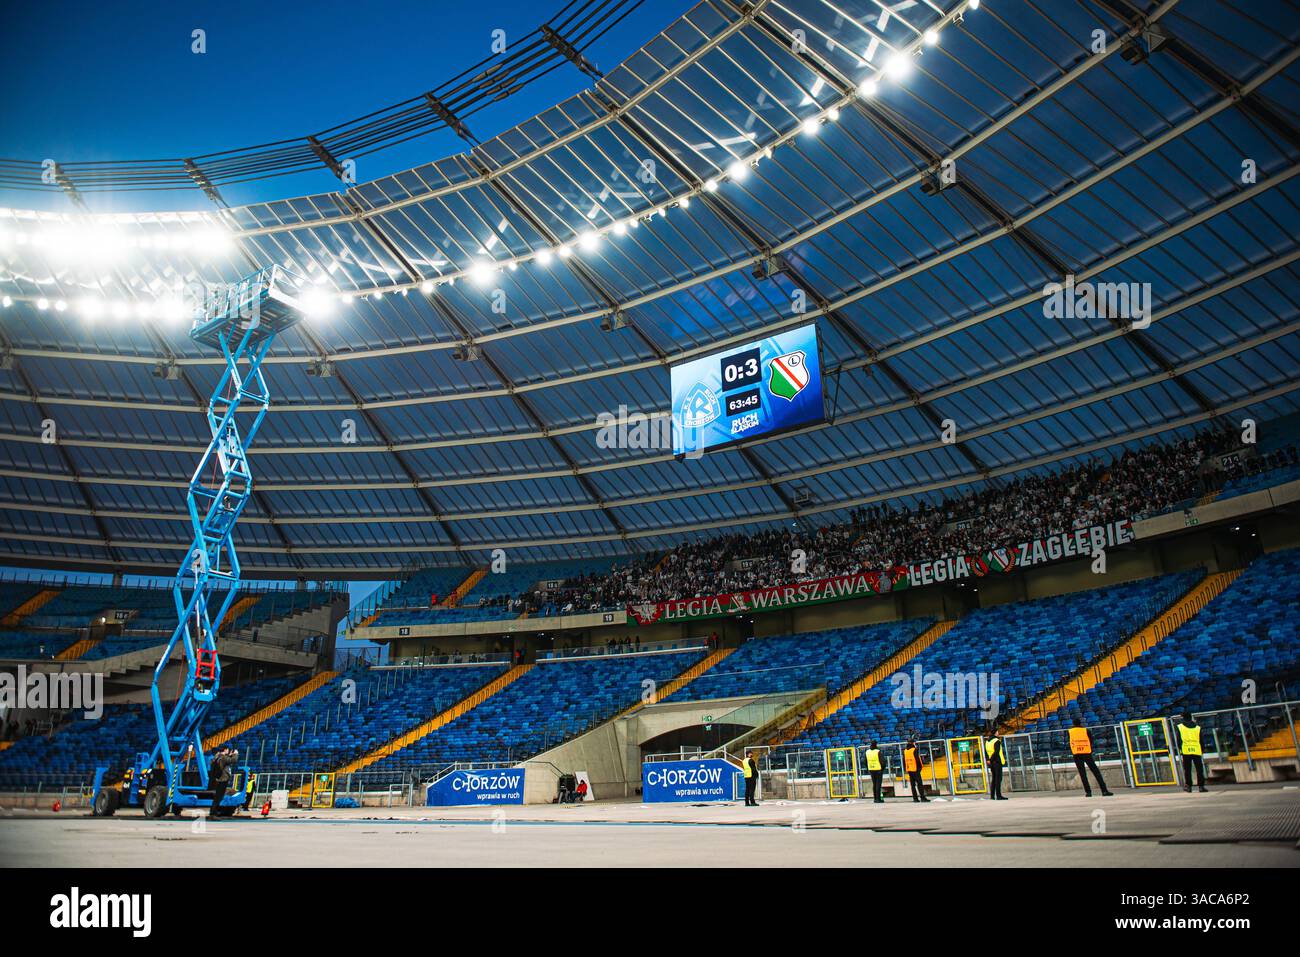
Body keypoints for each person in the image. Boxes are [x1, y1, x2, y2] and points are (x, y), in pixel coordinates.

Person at [1068, 719, 1113, 797]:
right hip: (1087, 752)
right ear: (1080, 723)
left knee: (1083, 774)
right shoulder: (1086, 730)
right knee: (1096, 772)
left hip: (1076, 753)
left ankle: (1088, 792)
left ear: (1073, 724)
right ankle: (1104, 791)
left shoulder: (1070, 731)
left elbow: (1070, 741)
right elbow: (1091, 741)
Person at [1176, 712, 1208, 793]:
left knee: (1187, 769)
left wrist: (1180, 749)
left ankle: (1189, 786)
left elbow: (1178, 740)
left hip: (1186, 750)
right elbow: (1201, 740)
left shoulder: (1180, 727)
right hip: (1197, 750)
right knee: (1199, 769)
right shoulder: (1198, 727)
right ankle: (1201, 786)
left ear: (1183, 718)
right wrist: (1202, 749)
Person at [210, 745, 238, 810]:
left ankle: (213, 812)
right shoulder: (223, 757)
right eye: (227, 750)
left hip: (218, 778)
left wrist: (229, 755)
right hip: (223, 779)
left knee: (218, 796)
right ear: (225, 750)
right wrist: (235, 754)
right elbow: (233, 760)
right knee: (219, 796)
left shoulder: (217, 757)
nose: (228, 751)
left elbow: (225, 761)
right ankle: (213, 813)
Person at [903, 738, 929, 802]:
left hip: (909, 769)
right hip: (915, 769)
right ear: (913, 743)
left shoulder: (905, 750)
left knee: (912, 785)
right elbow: (917, 759)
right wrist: (920, 767)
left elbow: (904, 760)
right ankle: (922, 798)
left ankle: (915, 798)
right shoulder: (914, 750)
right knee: (919, 784)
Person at [985, 733, 1008, 800]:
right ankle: (998, 795)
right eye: (997, 732)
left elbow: (986, 752)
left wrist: (988, 760)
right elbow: (996, 752)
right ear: (995, 733)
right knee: (998, 779)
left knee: (994, 779)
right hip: (997, 762)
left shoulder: (987, 741)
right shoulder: (996, 741)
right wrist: (991, 759)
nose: (998, 733)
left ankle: (992, 796)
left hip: (991, 763)